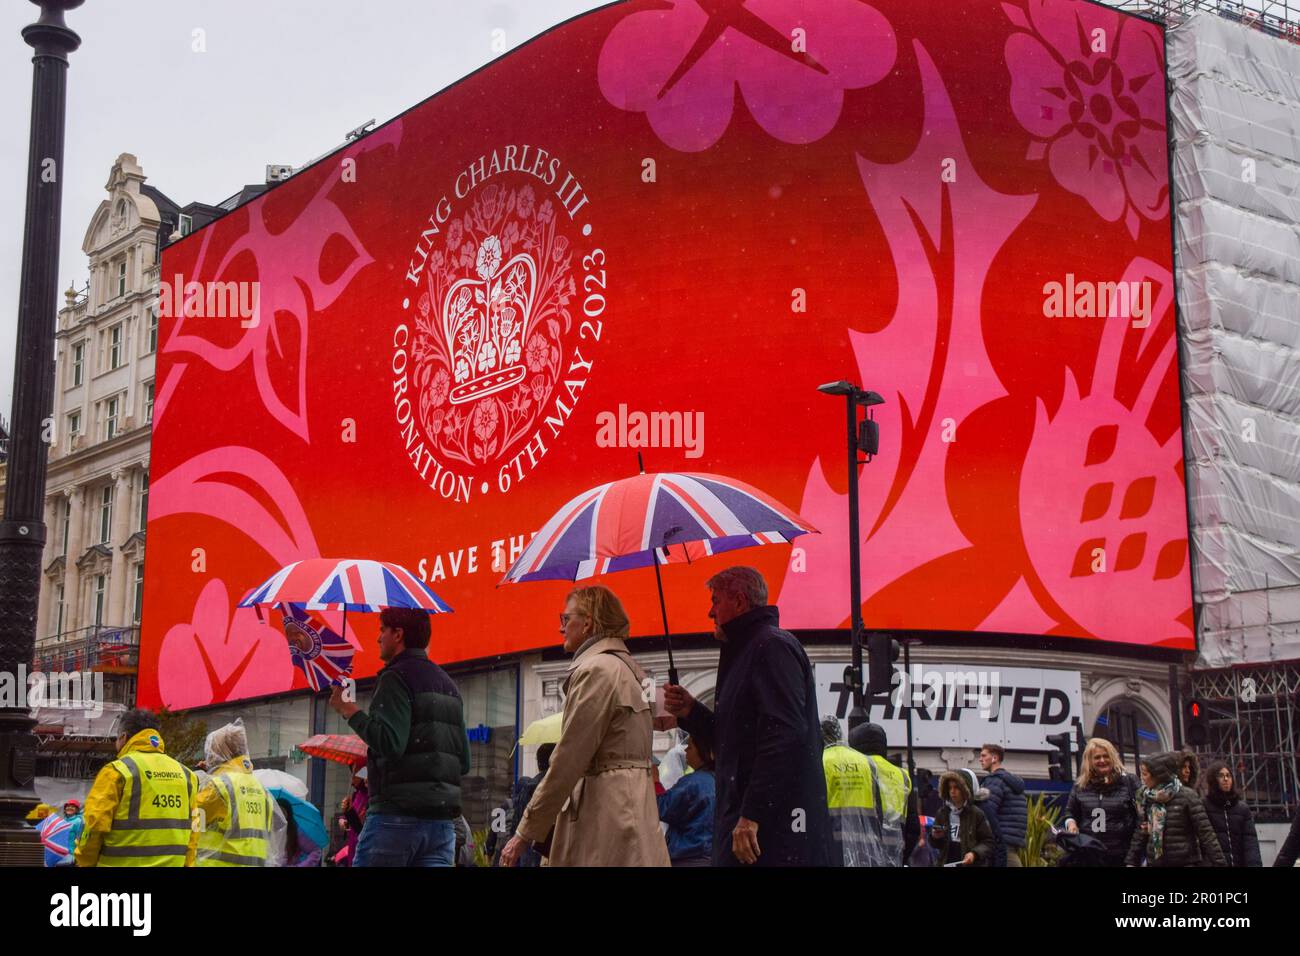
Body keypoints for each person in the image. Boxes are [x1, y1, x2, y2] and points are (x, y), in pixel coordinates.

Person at [663, 567, 834, 867]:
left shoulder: (770, 647)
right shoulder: (748, 650)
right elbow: (737, 737)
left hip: (773, 833)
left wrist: (752, 814)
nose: (710, 612)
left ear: (740, 601)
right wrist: (692, 711)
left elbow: (784, 735)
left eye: (716, 601)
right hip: (760, 829)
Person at [501, 585, 670, 867]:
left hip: (604, 815)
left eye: (566, 619)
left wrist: (524, 832)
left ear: (588, 621)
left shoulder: (596, 670)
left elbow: (568, 758)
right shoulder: (631, 668)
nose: (560, 628)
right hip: (632, 812)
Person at [329, 606, 471, 867]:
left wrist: (349, 711)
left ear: (398, 634)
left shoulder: (395, 678)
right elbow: (463, 762)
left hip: (396, 820)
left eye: (382, 630)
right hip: (441, 825)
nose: (377, 638)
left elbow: (390, 743)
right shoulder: (448, 685)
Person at [76, 709, 198, 867]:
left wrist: (84, 861)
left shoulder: (116, 771)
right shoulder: (187, 775)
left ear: (124, 737)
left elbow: (94, 825)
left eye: (116, 739)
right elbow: (194, 832)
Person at [189, 720, 276, 867]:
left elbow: (192, 820)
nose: (209, 754)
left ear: (220, 751)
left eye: (211, 750)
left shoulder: (219, 786)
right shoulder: (261, 790)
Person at [1125, 752, 1226, 868]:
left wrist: (1220, 863)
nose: (1142, 778)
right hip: (1156, 863)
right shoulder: (1146, 797)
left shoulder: (1188, 796)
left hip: (1184, 862)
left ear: (1158, 775)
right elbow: (1140, 833)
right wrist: (1131, 861)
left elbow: (1206, 833)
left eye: (1145, 774)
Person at [821, 718, 889, 866]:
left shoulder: (821, 761)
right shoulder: (867, 762)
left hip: (833, 843)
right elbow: (879, 808)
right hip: (866, 844)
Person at [1062, 737, 1139, 867]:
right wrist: (1071, 824)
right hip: (1088, 856)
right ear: (1089, 761)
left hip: (1121, 856)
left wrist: (1133, 856)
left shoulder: (1129, 782)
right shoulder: (1080, 785)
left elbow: (1141, 818)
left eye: (1106, 756)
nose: (1102, 760)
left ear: (1113, 758)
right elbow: (1070, 813)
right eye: (1097, 757)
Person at [848, 722, 914, 866]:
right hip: (893, 858)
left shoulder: (853, 772)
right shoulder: (902, 776)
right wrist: (899, 856)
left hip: (859, 857)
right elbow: (913, 829)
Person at [658, 734, 716, 867]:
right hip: (711, 856)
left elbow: (662, 808)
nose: (685, 750)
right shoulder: (718, 780)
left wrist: (654, 782)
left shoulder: (693, 782)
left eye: (689, 746)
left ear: (702, 751)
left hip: (688, 857)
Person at [1202, 761, 1262, 867]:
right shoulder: (1204, 806)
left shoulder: (1242, 809)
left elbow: (1250, 843)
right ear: (1213, 780)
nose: (1226, 779)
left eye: (1228, 775)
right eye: (1221, 776)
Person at [977, 743, 1028, 867]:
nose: (980, 759)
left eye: (984, 756)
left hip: (1001, 843)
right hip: (1011, 842)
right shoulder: (1010, 781)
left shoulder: (995, 781)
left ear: (994, 758)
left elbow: (987, 814)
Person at [930, 770, 994, 866]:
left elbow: (988, 842)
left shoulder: (976, 813)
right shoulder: (942, 812)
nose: (952, 791)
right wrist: (935, 837)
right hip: (946, 863)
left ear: (964, 789)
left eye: (956, 787)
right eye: (950, 788)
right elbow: (936, 845)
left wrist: (974, 853)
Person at [280, 797, 323, 867]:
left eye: (282, 812)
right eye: (276, 812)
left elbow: (315, 851)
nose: (279, 816)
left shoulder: (296, 831)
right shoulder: (269, 830)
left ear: (288, 814)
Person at [39, 800, 84, 867]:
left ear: (77, 810)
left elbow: (79, 837)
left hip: (70, 852)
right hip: (59, 851)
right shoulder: (64, 820)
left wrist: (77, 854)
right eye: (68, 806)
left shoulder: (78, 821)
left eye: (72, 807)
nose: (69, 808)